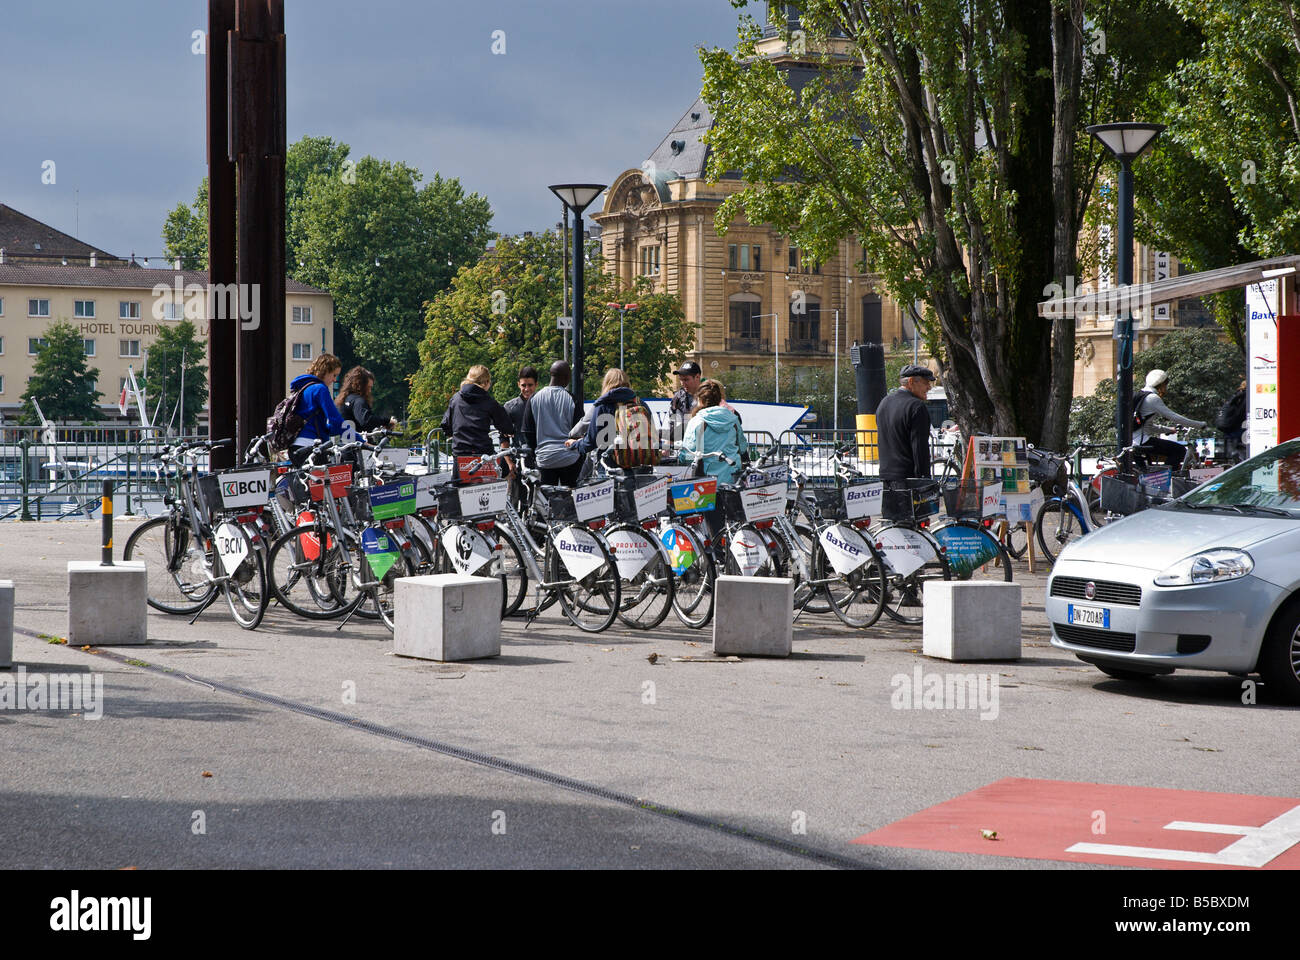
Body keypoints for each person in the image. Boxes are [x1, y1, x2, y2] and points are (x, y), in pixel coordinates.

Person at [676, 378, 747, 561]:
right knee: (732, 522)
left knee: (711, 524)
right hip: (732, 479)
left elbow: (688, 453)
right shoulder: (732, 418)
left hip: (707, 482)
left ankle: (716, 564)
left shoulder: (698, 421)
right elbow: (743, 446)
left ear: (700, 399)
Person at [566, 368, 658, 466]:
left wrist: (574, 444)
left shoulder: (603, 406)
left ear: (606, 384)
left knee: (582, 479)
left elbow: (590, 443)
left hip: (610, 466)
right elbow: (653, 433)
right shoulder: (641, 404)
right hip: (641, 464)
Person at [522, 361, 583, 486]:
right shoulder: (572, 399)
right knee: (570, 497)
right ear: (566, 377)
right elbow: (579, 431)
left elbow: (528, 432)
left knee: (546, 500)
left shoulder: (534, 399)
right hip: (569, 458)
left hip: (545, 459)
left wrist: (536, 452)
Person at [1134, 369, 1207, 469]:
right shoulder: (1152, 398)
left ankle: (1160, 477)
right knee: (1179, 450)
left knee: (1146, 470)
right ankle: (1165, 478)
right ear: (1160, 384)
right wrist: (1200, 425)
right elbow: (1175, 417)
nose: (1166, 387)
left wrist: (1169, 430)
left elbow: (1148, 426)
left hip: (1132, 441)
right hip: (1142, 441)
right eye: (1165, 384)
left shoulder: (1140, 395)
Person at [440, 364, 515, 459]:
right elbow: (505, 424)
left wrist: (453, 434)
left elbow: (445, 424)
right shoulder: (488, 401)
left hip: (459, 453)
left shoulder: (455, 399)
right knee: (505, 468)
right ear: (486, 382)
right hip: (483, 452)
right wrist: (507, 430)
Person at [875, 364, 936, 482]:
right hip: (909, 480)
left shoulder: (884, 403)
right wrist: (924, 481)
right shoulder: (916, 407)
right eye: (926, 383)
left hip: (885, 477)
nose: (929, 387)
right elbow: (920, 449)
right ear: (912, 381)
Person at [288, 353, 345, 464]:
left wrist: (328, 428)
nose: (334, 380)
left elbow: (313, 419)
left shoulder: (304, 387)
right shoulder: (320, 389)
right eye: (334, 375)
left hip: (295, 446)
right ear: (325, 371)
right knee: (327, 480)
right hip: (311, 447)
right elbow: (336, 420)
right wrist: (360, 441)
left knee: (305, 480)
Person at [336, 366, 398, 437]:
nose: (370, 391)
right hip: (357, 443)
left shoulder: (344, 399)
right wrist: (387, 421)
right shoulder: (358, 401)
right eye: (368, 387)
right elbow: (366, 420)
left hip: (344, 443)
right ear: (359, 385)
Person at [669, 361, 702, 442]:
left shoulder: (709, 395)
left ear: (697, 377)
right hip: (684, 444)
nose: (683, 383)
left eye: (686, 379)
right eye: (681, 380)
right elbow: (673, 424)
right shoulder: (678, 398)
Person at [503, 365, 538, 440]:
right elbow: (503, 437)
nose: (526, 389)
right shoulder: (509, 407)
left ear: (536, 384)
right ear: (518, 384)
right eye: (523, 385)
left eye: (530, 385)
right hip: (519, 450)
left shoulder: (544, 405)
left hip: (541, 450)